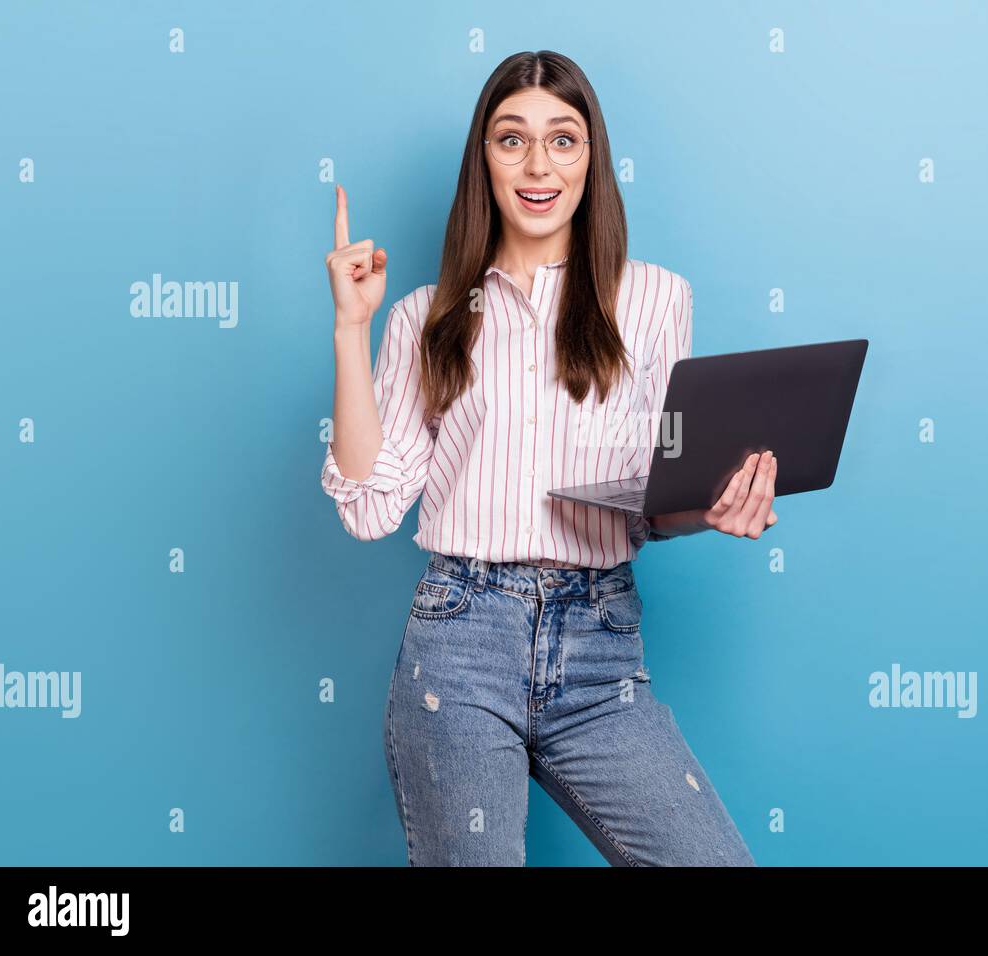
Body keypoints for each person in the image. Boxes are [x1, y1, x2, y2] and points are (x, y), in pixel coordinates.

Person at [321, 50, 777, 866]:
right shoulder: (427, 317)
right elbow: (368, 506)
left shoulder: (657, 300)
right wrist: (352, 329)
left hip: (601, 645)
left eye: (563, 140)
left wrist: (708, 508)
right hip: (459, 646)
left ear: (591, 159)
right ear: (483, 160)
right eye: (512, 140)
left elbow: (651, 496)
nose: (539, 165)